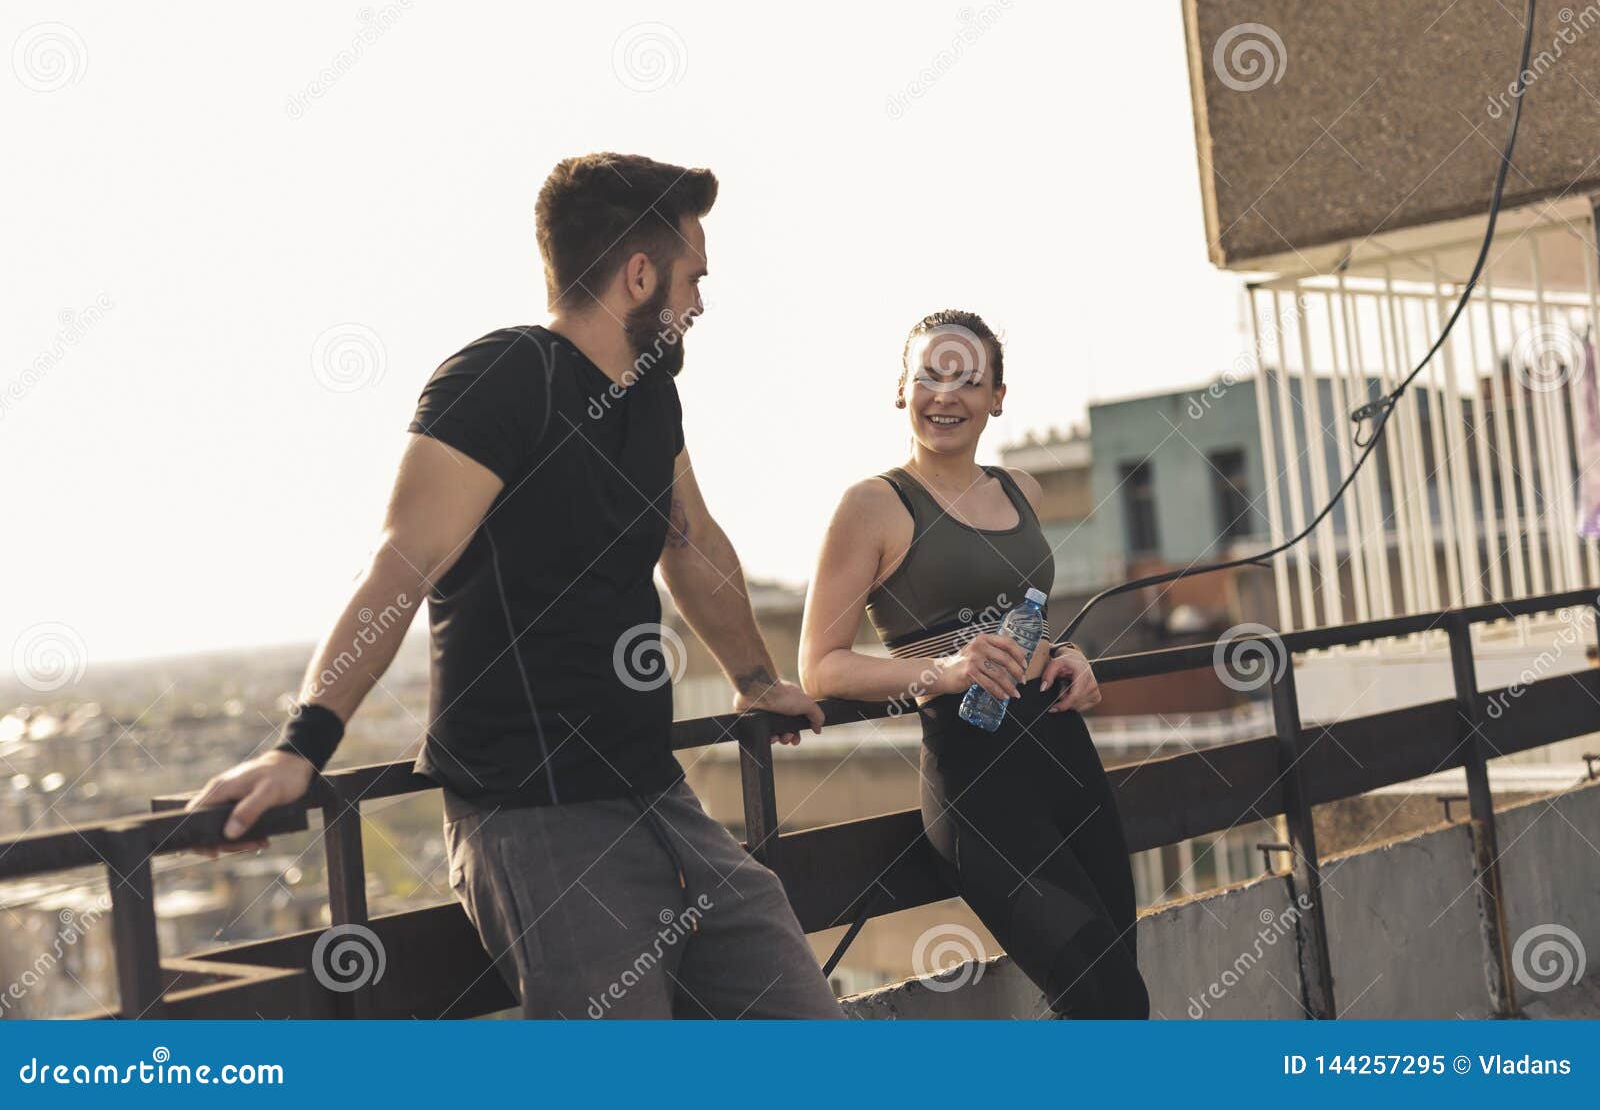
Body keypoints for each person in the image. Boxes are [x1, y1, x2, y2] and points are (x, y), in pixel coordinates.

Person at [186, 152, 844, 1020]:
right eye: (693, 279)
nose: (698, 305)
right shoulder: (500, 379)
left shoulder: (651, 399)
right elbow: (401, 564)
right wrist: (302, 744)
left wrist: (756, 679)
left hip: (655, 791)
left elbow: (691, 540)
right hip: (535, 817)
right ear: (638, 274)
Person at [798, 310, 1150, 1018]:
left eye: (967, 378)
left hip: (1065, 757)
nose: (945, 394)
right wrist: (947, 669)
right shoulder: (872, 505)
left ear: (998, 396)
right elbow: (821, 667)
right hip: (980, 789)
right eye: (929, 374)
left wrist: (1069, 655)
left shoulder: (1024, 488)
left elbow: (1025, 618)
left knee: (1119, 992)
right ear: (903, 388)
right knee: (1103, 998)